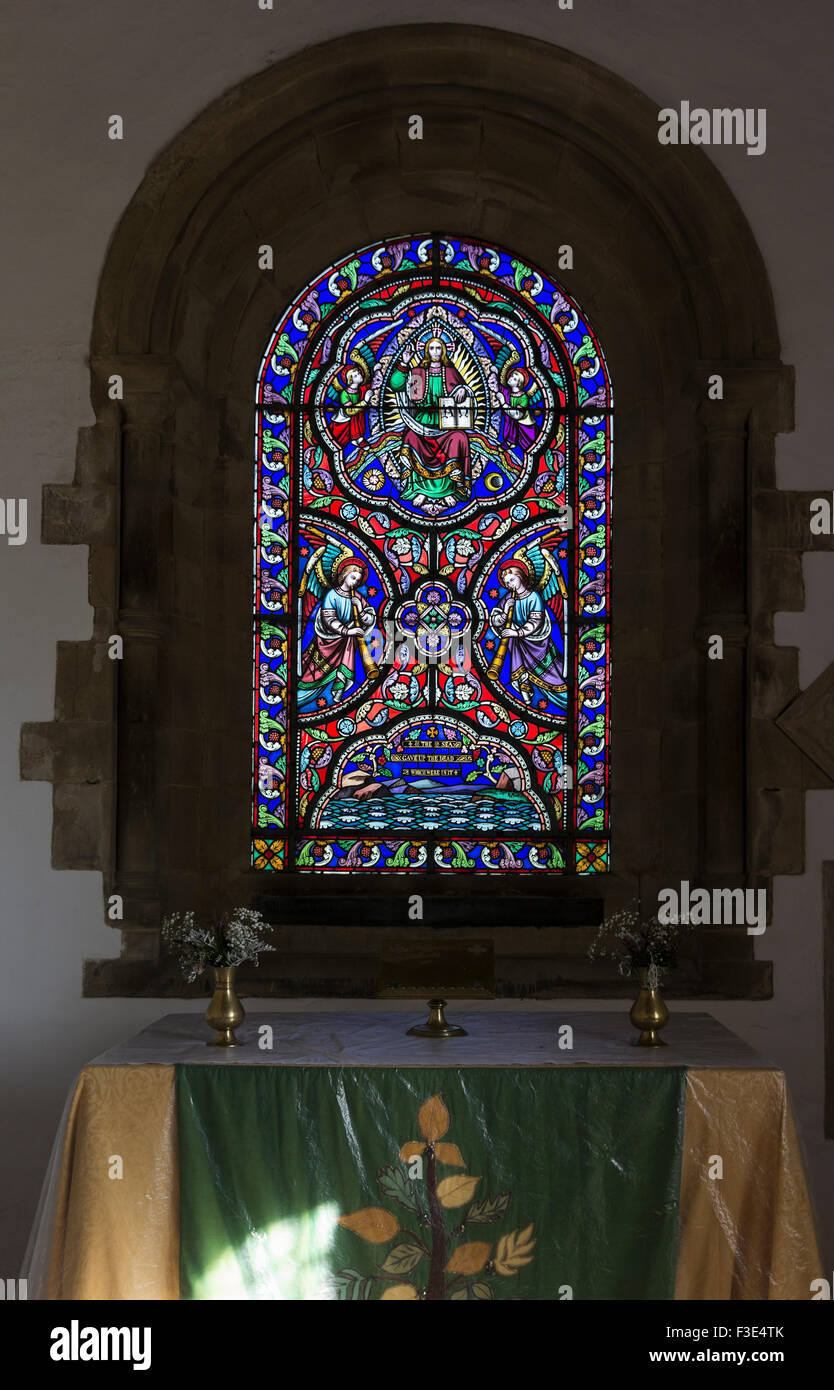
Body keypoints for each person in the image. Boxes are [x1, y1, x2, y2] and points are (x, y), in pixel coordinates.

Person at [389, 336, 473, 507]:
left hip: (446, 420)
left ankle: (451, 489)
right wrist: (404, 363)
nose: (435, 352)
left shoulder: (451, 372)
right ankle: (418, 489)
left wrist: (463, 390)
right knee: (410, 436)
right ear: (426, 351)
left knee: (460, 437)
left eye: (439, 348)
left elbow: (465, 390)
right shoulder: (418, 372)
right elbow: (395, 385)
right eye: (432, 348)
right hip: (422, 420)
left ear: (443, 351)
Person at [298, 557, 378, 707]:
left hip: (346, 644)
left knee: (344, 666)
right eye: (353, 577)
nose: (355, 582)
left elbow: (369, 619)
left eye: (358, 580)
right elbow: (328, 620)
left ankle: (339, 689)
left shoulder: (358, 598)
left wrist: (360, 610)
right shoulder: (332, 595)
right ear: (344, 575)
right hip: (327, 642)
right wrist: (348, 631)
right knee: (312, 673)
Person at [489, 559, 567, 709]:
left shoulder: (533, 597)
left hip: (538, 644)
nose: (510, 584)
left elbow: (535, 622)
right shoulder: (508, 599)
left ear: (521, 576)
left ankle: (565, 700)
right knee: (514, 648)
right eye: (507, 583)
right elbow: (495, 620)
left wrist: (516, 632)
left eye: (512, 580)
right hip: (519, 645)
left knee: (555, 678)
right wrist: (505, 612)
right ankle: (525, 687)